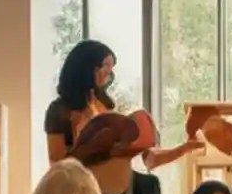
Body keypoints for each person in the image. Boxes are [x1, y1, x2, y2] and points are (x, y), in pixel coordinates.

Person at [45, 40, 203, 170]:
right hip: (84, 184)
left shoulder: (105, 106)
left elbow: (151, 159)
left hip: (116, 181)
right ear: (88, 68)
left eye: (111, 68)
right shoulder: (59, 110)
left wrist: (184, 148)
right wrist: (83, 140)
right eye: (105, 66)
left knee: (148, 185)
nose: (108, 73)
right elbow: (57, 164)